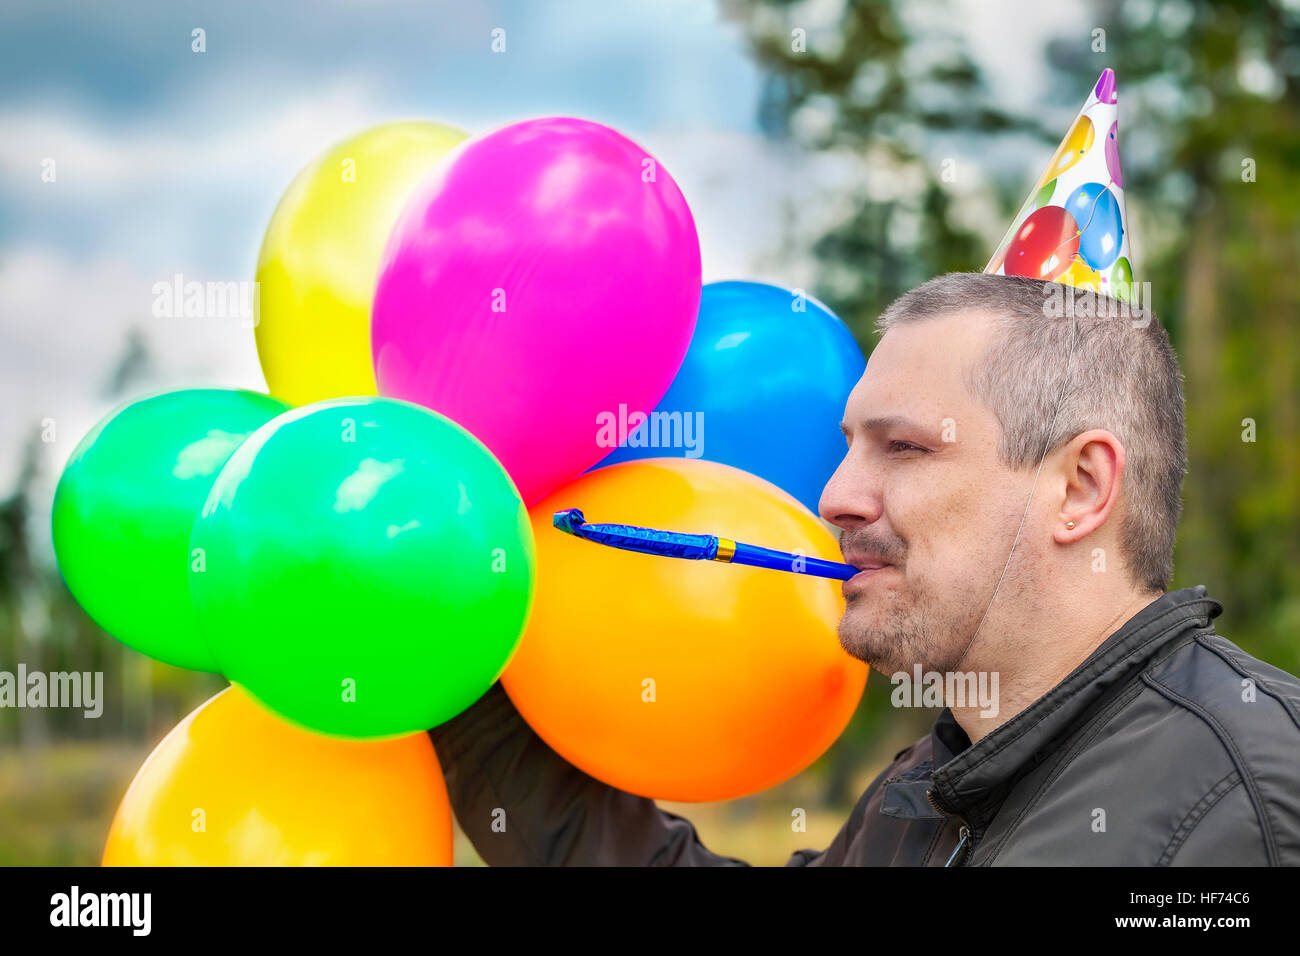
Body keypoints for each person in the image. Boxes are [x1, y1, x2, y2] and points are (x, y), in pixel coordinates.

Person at [428, 271, 1300, 866]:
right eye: (848, 448)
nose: (835, 497)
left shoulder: (1251, 788)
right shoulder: (932, 783)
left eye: (905, 448)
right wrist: (458, 679)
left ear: (1080, 487)